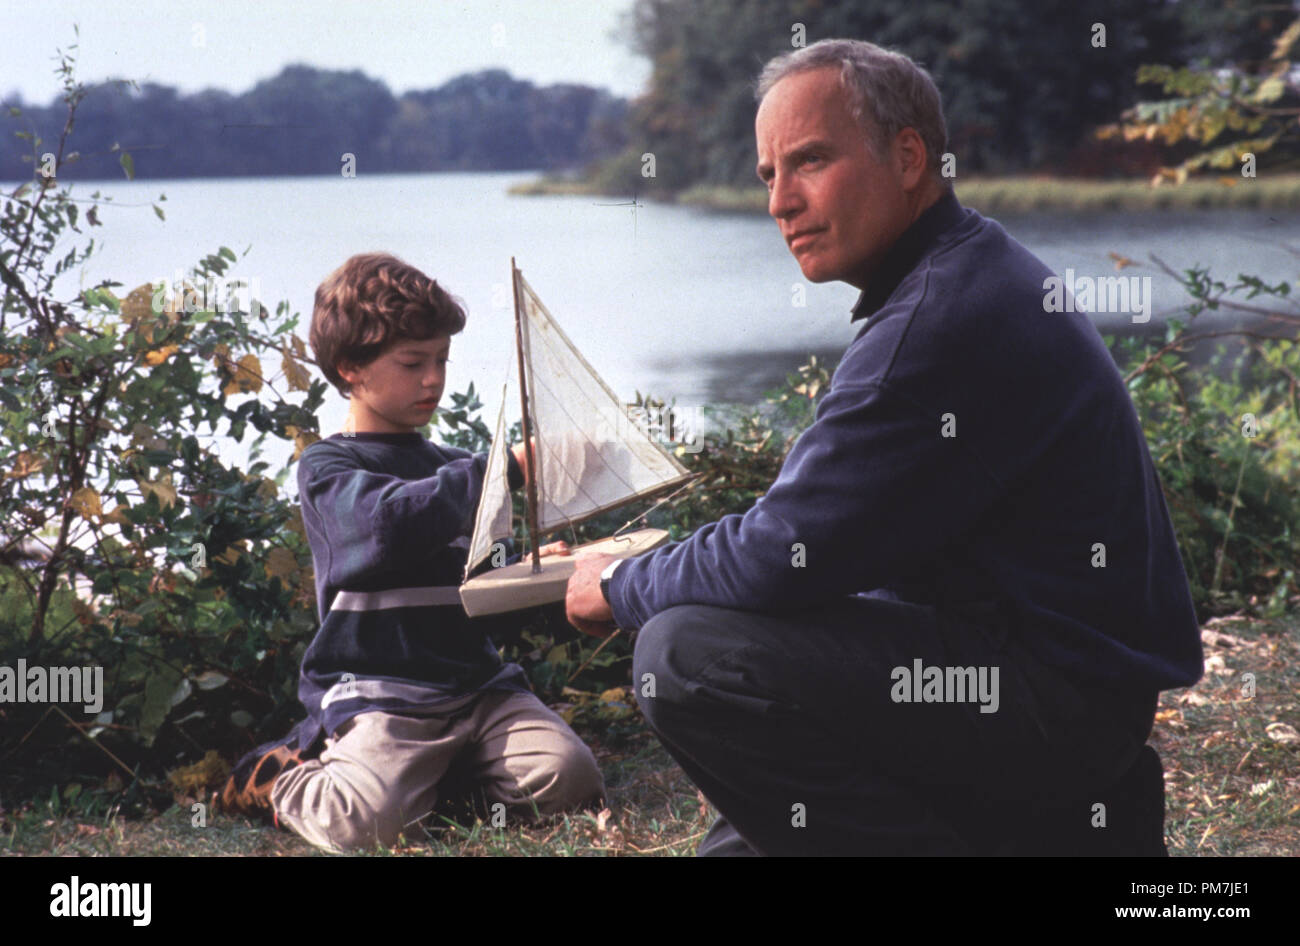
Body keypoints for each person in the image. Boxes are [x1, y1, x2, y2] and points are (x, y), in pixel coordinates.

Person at [565, 39, 1204, 855]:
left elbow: (776, 553)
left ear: (908, 158)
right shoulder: (966, 268)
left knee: (685, 654)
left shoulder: (939, 321)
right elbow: (811, 544)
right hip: (1053, 685)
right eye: (769, 175)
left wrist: (618, 584)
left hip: (1058, 710)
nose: (779, 203)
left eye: (810, 161)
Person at [218, 251, 603, 852]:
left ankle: (431, 788)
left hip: (479, 688)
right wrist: (507, 468)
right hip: (381, 693)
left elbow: (475, 581)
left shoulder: (454, 467)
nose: (433, 379)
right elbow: (390, 526)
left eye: (442, 360)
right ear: (350, 369)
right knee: (368, 829)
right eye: (412, 362)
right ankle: (275, 779)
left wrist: (537, 568)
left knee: (569, 777)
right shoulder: (330, 468)